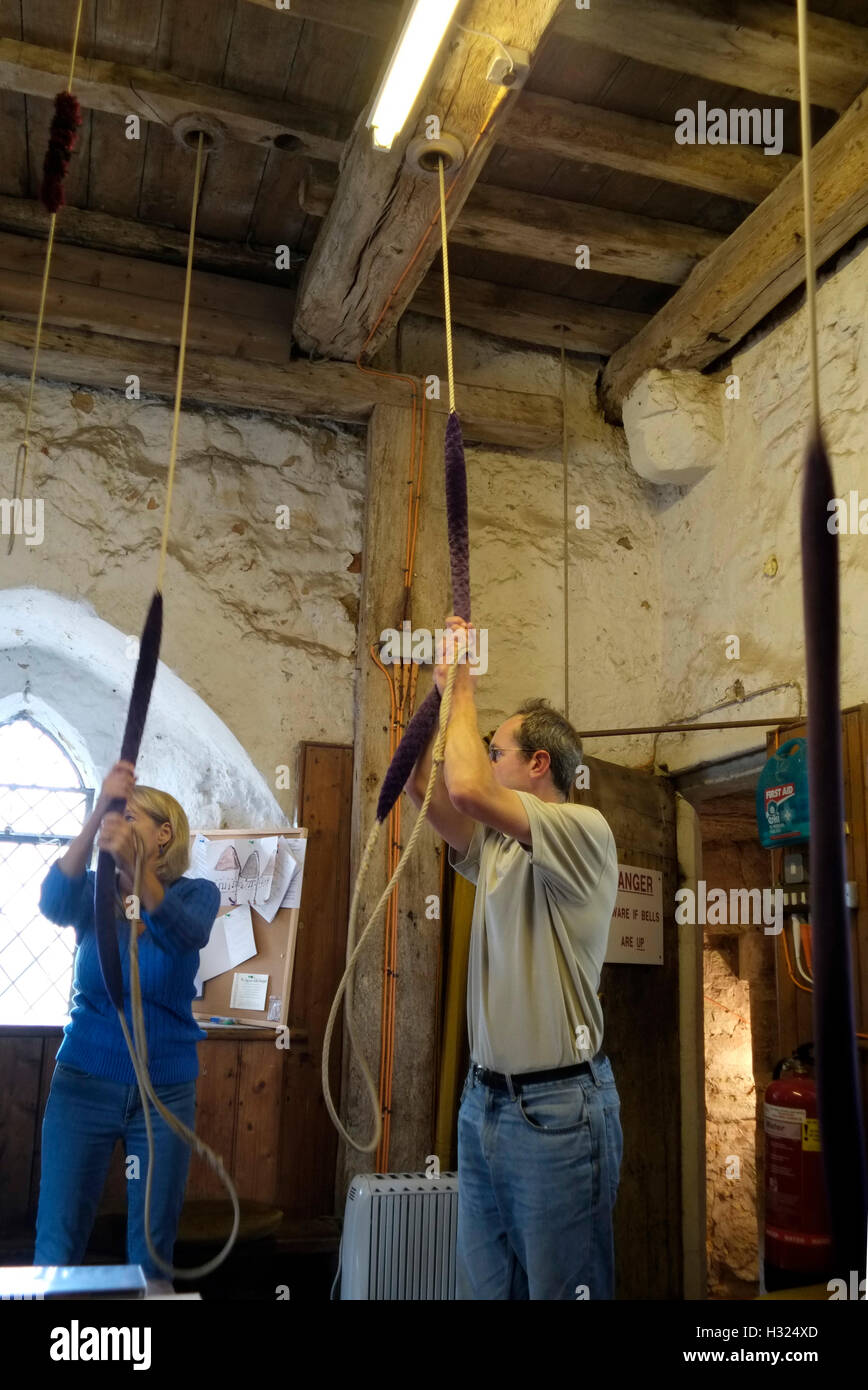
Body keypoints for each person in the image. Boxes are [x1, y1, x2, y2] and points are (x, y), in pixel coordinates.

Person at [406, 616, 622, 1300]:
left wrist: (468, 678)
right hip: (486, 1105)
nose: (486, 759)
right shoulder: (499, 846)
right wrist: (439, 694)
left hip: (558, 1112)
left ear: (539, 764)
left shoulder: (585, 829)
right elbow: (425, 789)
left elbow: (468, 788)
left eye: (497, 749)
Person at [34, 760, 220, 1279]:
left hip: (163, 1091)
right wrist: (96, 814)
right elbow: (51, 901)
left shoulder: (195, 893)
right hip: (84, 1083)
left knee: (151, 1248)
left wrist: (137, 873)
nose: (120, 824)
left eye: (130, 816)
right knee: (58, 1237)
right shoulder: (94, 892)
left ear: (164, 834)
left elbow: (183, 933)